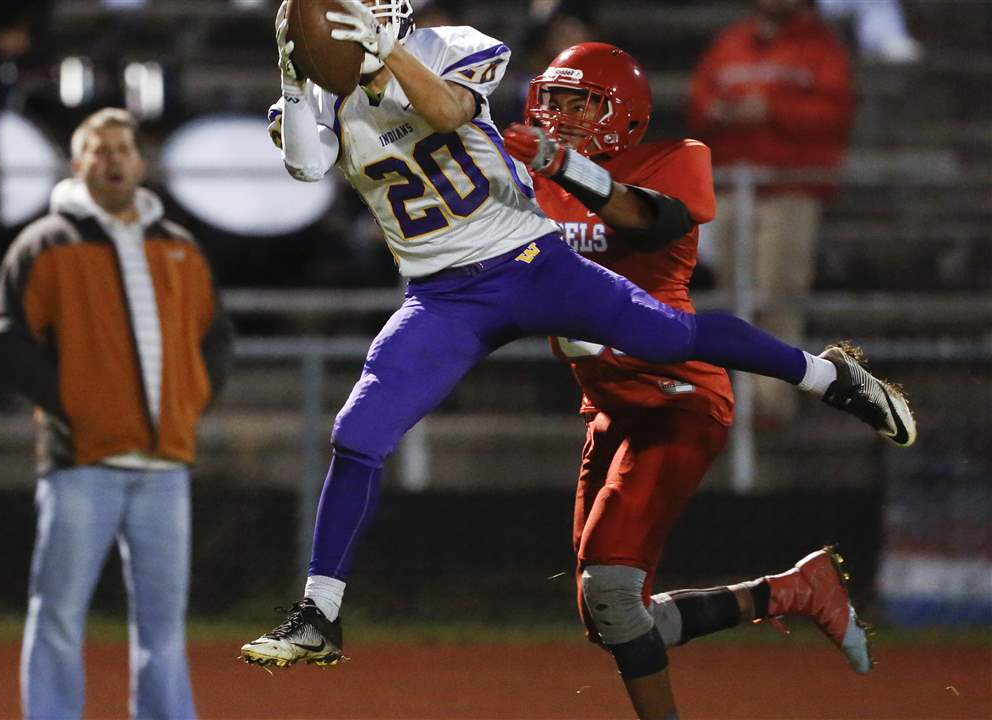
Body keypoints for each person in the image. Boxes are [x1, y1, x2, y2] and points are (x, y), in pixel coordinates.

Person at [241, 0, 912, 672]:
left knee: (669, 334)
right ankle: (319, 613)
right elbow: (306, 166)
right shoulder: (330, 95)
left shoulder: (456, 45)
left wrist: (390, 54)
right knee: (358, 432)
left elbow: (448, 112)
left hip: (528, 260)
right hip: (443, 296)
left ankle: (830, 377)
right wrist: (296, 78)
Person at [502, 43, 869, 719]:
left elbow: (651, 222)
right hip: (610, 405)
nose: (560, 116)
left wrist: (564, 171)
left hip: (677, 395)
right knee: (612, 617)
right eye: (551, 100)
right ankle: (790, 591)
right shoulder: (527, 177)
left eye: (579, 102)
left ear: (624, 112)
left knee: (613, 594)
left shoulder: (673, 161)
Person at [0, 107, 234, 719]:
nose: (113, 159)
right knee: (59, 616)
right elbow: (9, 337)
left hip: (165, 463)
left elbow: (217, 336)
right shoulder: (44, 243)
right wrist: (73, 407)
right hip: (82, 461)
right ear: (78, 165)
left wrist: (190, 400)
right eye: (99, 150)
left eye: (123, 149)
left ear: (140, 161)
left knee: (163, 627)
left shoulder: (179, 246)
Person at [687, 0, 855, 426]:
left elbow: (834, 115)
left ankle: (770, 404)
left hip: (790, 190)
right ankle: (733, 402)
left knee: (776, 295)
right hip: (730, 189)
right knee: (732, 298)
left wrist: (772, 110)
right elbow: (699, 106)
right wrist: (721, 112)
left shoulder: (821, 48)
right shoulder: (730, 43)